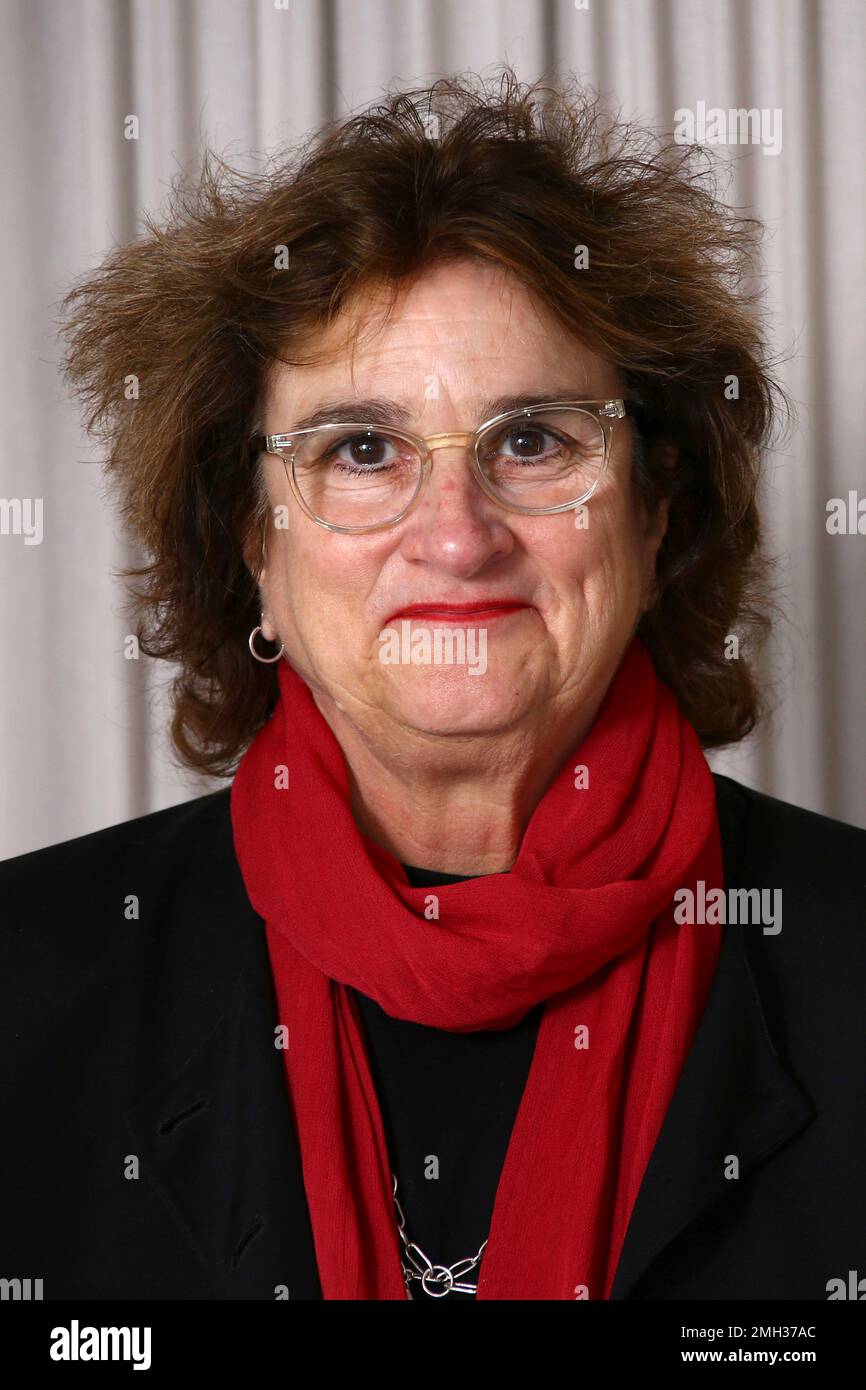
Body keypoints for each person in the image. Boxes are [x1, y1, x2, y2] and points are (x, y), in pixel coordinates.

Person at [1, 71, 864, 1302]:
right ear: (252, 538)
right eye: (360, 450)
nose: (455, 537)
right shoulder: (28, 977)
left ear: (654, 512)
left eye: (532, 441)